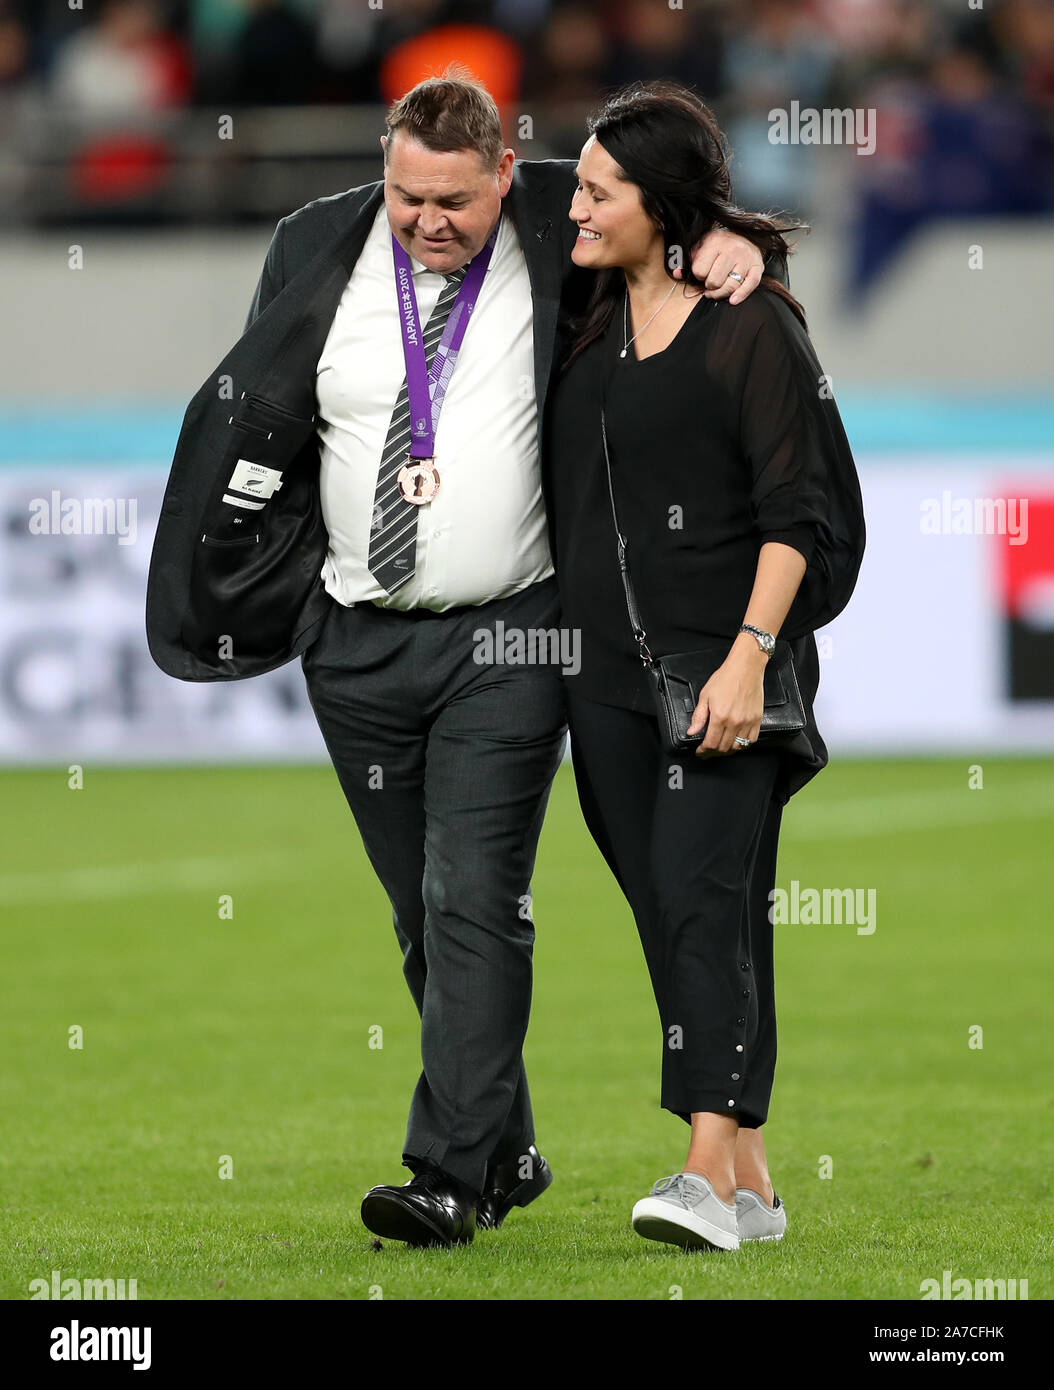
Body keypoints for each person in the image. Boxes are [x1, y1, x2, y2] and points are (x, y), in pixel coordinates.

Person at [145, 70, 773, 1249]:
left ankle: (445, 1173)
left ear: (506, 179)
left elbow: (649, 203)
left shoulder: (554, 227)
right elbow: (261, 411)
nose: (429, 220)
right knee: (420, 921)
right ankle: (505, 1141)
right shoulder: (311, 245)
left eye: (454, 200)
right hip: (353, 636)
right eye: (405, 195)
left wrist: (725, 231)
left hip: (511, 632)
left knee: (471, 896)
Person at [543, 81, 866, 1252]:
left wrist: (745, 660)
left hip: (725, 676)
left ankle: (696, 1175)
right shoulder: (577, 304)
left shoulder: (750, 323)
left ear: (659, 203)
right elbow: (496, 198)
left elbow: (798, 510)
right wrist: (696, 224)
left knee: (697, 907)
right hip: (605, 684)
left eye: (597, 190)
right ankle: (754, 1179)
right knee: (687, 919)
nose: (572, 206)